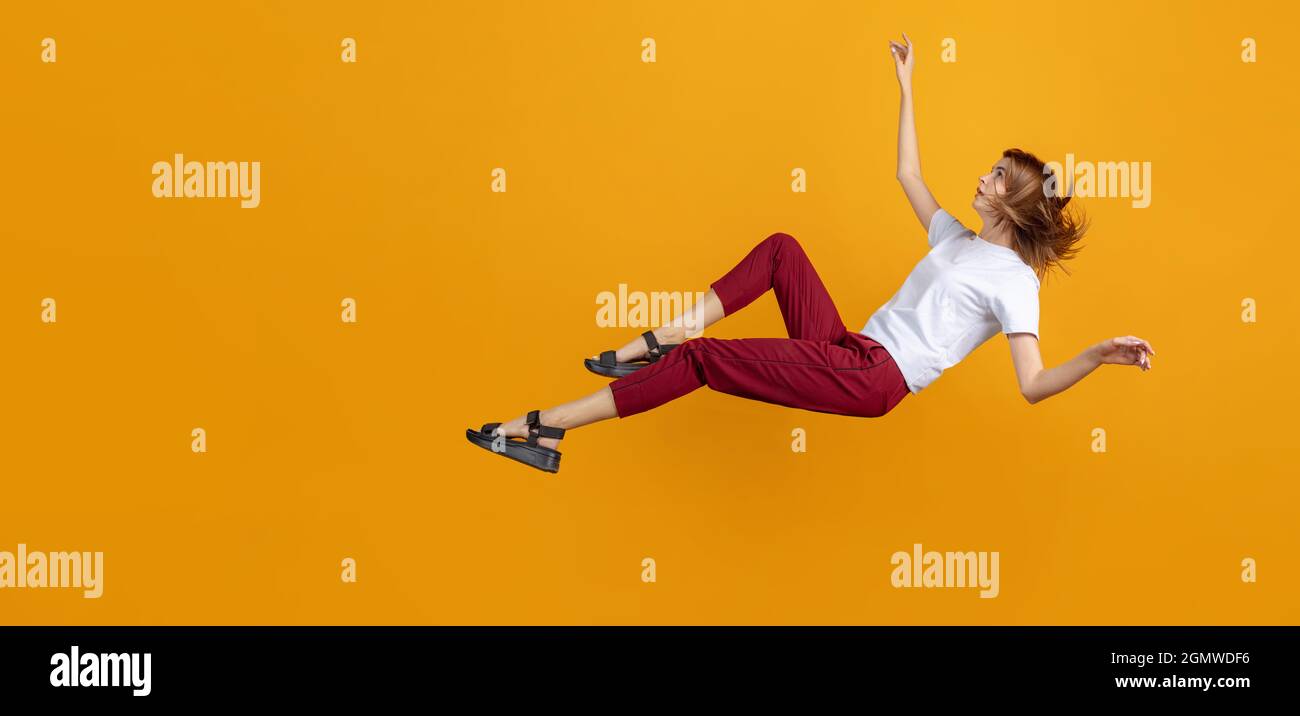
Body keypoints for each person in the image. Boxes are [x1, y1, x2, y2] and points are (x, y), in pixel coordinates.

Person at [466, 33, 1155, 473]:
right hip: (851, 348)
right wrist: (909, 88)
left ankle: (545, 426)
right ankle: (671, 333)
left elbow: (1031, 386)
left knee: (705, 363)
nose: (982, 177)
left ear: (1019, 202)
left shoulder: (1013, 281)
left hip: (875, 377)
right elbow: (908, 176)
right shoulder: (959, 241)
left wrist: (1096, 356)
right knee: (782, 252)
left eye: (997, 176)